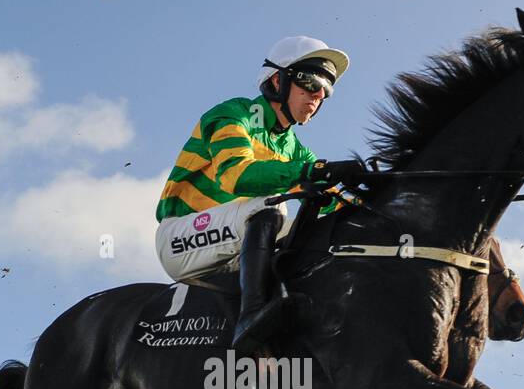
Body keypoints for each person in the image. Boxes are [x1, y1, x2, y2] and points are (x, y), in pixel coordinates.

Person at [154, 36, 368, 354]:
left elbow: (333, 201)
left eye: (327, 88)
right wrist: (312, 172)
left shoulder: (296, 149)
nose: (319, 94)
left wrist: (373, 201)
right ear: (277, 80)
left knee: (318, 235)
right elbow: (236, 175)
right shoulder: (233, 114)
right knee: (272, 208)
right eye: (311, 81)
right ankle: (251, 317)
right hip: (181, 239)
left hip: (235, 244)